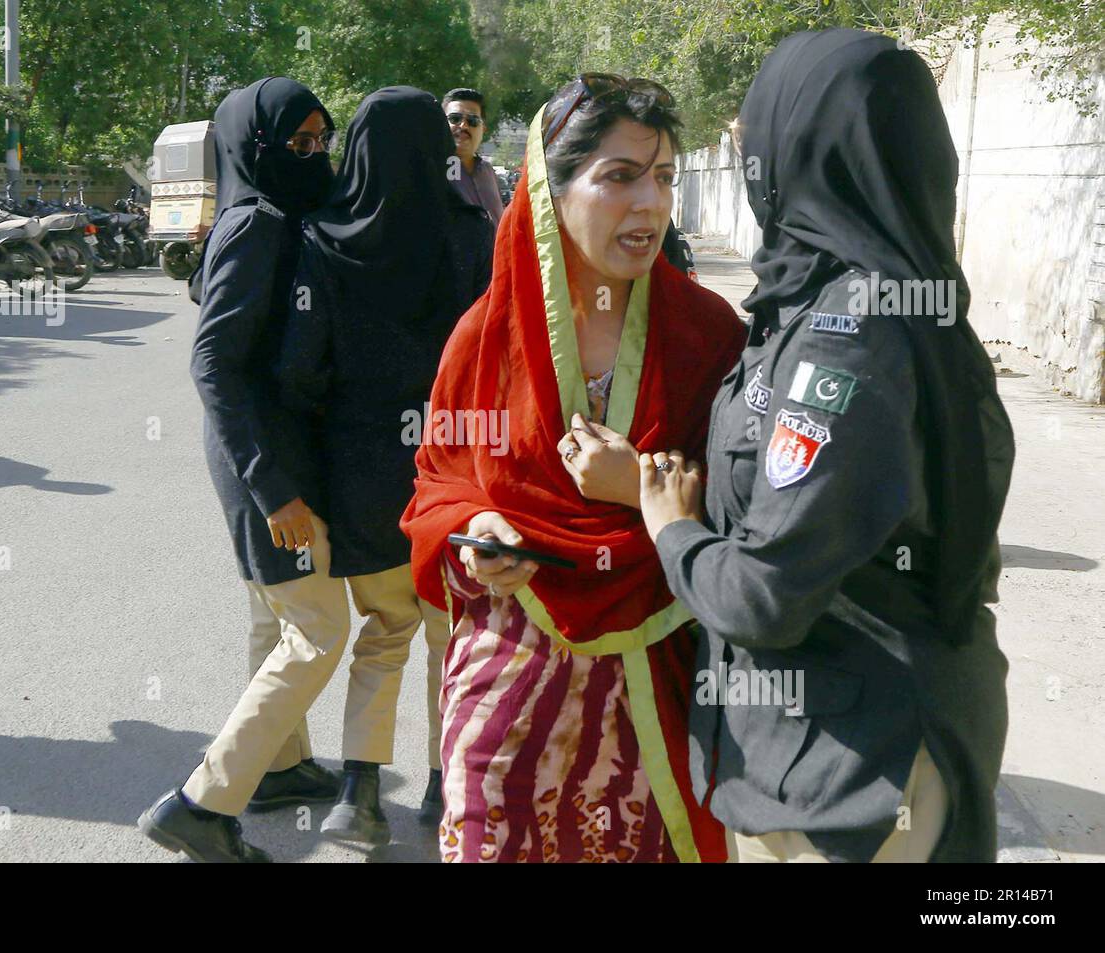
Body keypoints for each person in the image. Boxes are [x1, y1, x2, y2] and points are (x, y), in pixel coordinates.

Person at [630, 30, 1016, 862]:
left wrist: (670, 525)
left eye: (754, 129)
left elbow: (767, 594)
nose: (744, 147)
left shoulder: (850, 330)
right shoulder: (886, 300)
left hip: (856, 770)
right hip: (866, 742)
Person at [400, 75, 745, 862]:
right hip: (512, 674)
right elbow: (439, 479)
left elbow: (750, 514)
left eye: (663, 178)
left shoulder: (706, 335)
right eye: (619, 176)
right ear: (551, 190)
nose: (650, 205)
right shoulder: (486, 338)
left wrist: (641, 492)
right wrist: (476, 527)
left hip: (655, 675)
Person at [279, 87, 494, 843]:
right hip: (451, 471)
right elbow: (492, 357)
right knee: (450, 634)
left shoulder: (322, 235)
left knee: (383, 631)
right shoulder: (470, 231)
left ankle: (359, 797)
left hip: (359, 474)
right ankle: (445, 788)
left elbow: (300, 372)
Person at [138, 77, 341, 863]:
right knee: (321, 629)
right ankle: (201, 802)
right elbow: (214, 364)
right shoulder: (256, 225)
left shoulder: (272, 214)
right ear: (256, 147)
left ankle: (280, 767)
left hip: (265, 452)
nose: (315, 155)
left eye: (322, 139)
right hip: (265, 461)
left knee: (275, 617)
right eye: (298, 143)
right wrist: (275, 487)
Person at [442, 88, 505, 228]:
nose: (463, 125)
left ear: (483, 129)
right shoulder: (432, 171)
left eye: (473, 120)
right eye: (455, 119)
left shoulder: (488, 172)